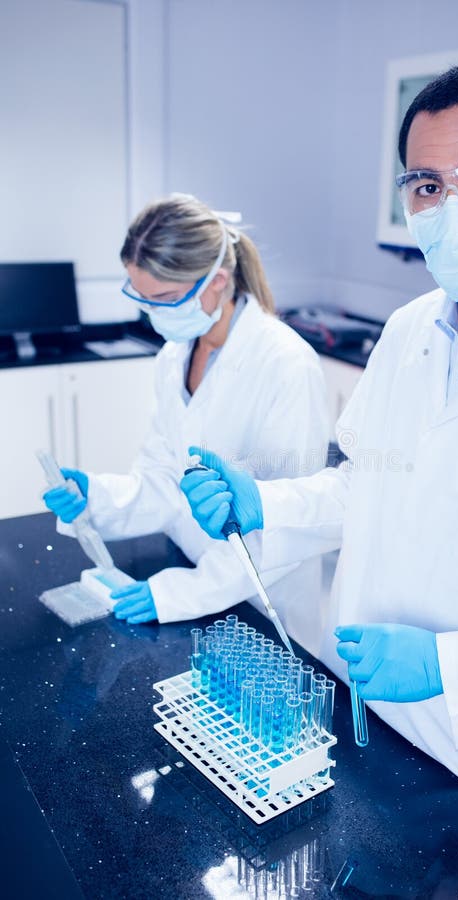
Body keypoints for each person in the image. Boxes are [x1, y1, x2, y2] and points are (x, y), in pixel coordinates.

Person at [179, 62, 458, 887]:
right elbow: (367, 482)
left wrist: (451, 667)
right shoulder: (410, 330)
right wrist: (262, 500)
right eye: (428, 187)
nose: (451, 210)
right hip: (374, 734)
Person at [44, 194, 329, 647]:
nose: (153, 312)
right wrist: (96, 498)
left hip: (262, 601)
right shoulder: (176, 354)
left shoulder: (287, 364)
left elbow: (288, 524)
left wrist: (180, 594)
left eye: (166, 299)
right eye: (143, 297)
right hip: (193, 570)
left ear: (216, 281)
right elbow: (164, 475)